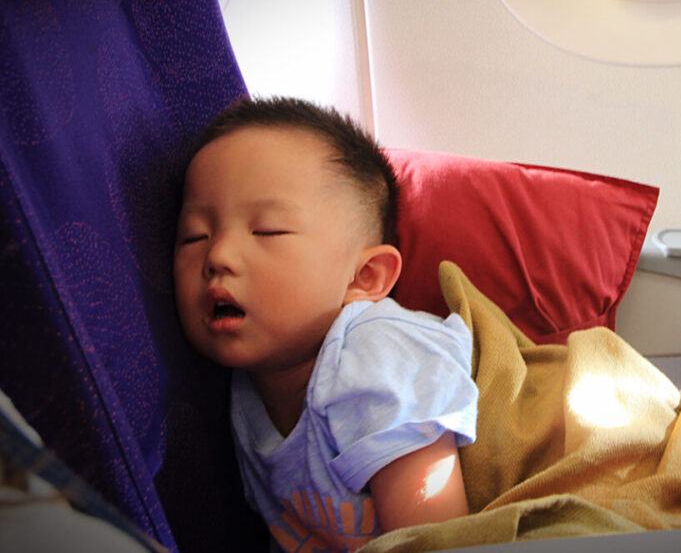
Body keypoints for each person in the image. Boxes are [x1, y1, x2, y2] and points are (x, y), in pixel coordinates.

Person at [172, 96, 478, 552]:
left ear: (364, 277)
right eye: (194, 236)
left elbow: (436, 541)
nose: (217, 256)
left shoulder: (377, 352)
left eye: (267, 231)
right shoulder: (243, 396)